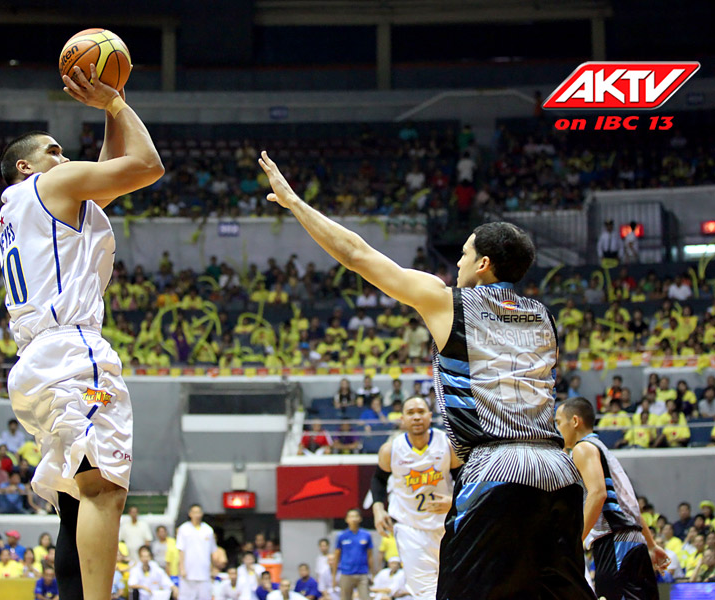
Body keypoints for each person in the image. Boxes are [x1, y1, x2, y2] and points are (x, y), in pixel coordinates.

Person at [258, 152, 594, 599]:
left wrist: (295, 203)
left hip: (497, 468)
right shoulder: (545, 317)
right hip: (558, 471)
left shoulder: (449, 302)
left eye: (464, 254)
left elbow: (358, 255)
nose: (457, 264)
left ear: (484, 264)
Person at [0, 60, 162, 600]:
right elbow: (145, 165)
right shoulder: (53, 185)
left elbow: (110, 168)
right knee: (103, 492)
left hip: (37, 361)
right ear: (27, 166)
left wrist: (113, 100)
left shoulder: (24, 210)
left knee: (75, 499)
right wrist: (114, 104)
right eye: (54, 151)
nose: (65, 157)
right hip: (71, 351)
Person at [555, 397, 669, 600]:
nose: (557, 428)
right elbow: (629, 503)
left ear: (574, 421)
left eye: (558, 422)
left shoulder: (583, 449)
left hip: (614, 543)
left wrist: (575, 541)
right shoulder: (605, 451)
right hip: (635, 542)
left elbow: (598, 494)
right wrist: (651, 544)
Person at [371, 396, 457, 600]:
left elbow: (465, 479)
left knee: (454, 586)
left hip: (445, 525)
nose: (416, 417)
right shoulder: (390, 449)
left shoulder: (447, 444)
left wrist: (453, 502)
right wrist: (378, 509)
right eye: (410, 413)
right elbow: (378, 480)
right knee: (425, 593)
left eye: (420, 411)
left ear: (430, 415)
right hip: (410, 528)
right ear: (402, 419)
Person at [176, 504, 218, 600]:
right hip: (188, 572)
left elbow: (212, 551)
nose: (197, 515)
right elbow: (181, 550)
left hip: (204, 572)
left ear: (202, 514)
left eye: (198, 512)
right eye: (194, 512)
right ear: (190, 514)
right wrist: (182, 568)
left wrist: (213, 568)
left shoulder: (208, 530)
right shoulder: (183, 529)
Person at [332, 509, 371, 600]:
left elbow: (370, 556)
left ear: (360, 518)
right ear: (346, 519)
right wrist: (334, 576)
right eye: (351, 516)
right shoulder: (342, 535)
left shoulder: (366, 535)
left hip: (362, 573)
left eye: (355, 516)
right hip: (346, 573)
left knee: (366, 598)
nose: (353, 519)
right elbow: (337, 556)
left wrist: (372, 573)